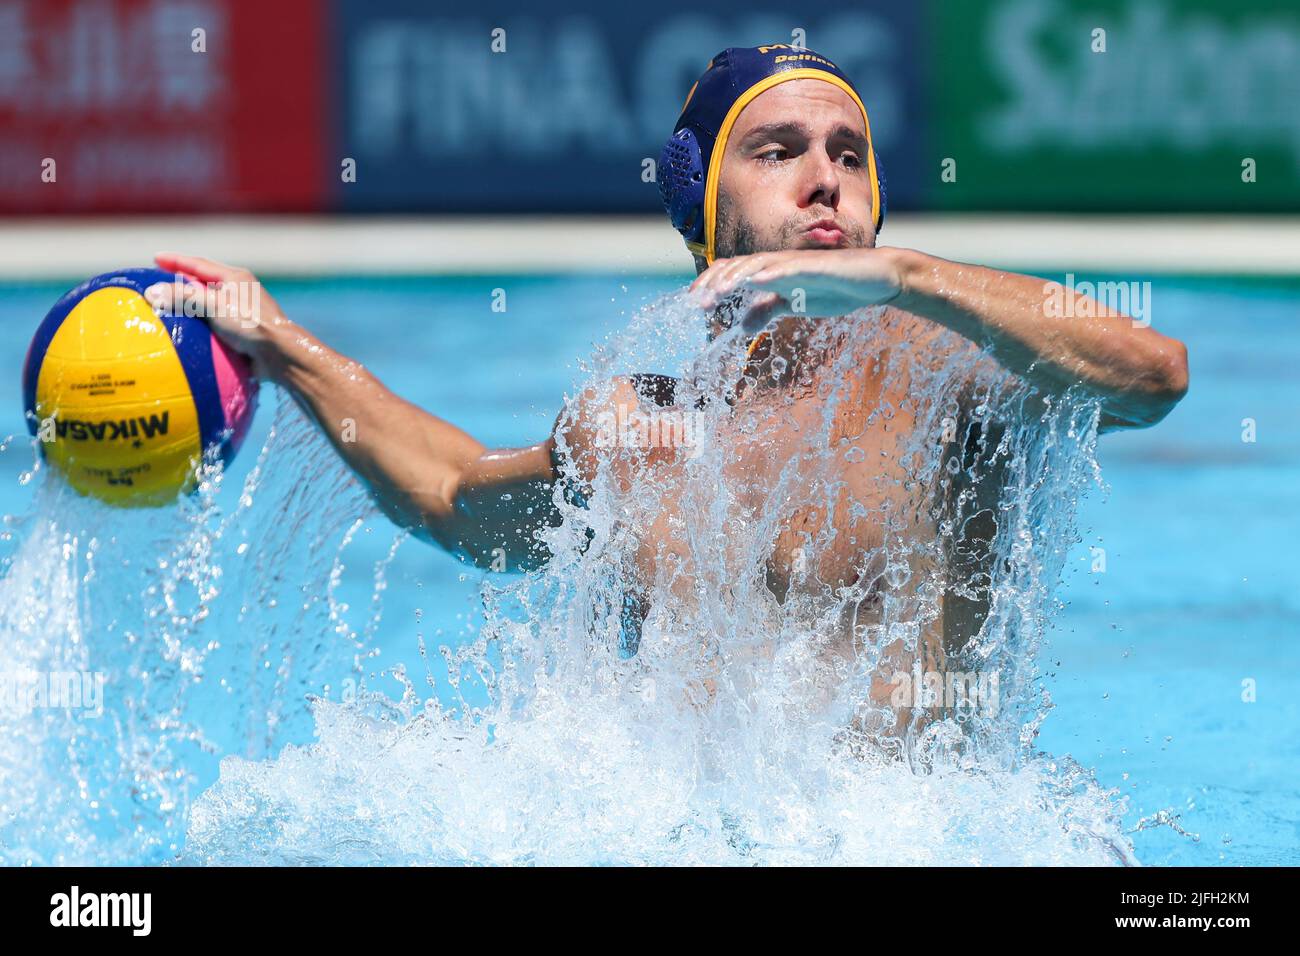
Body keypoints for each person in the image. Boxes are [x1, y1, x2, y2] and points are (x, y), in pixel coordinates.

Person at [145, 44, 1187, 735]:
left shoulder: (950, 371)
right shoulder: (636, 425)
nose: (825, 178)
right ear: (698, 200)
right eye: (777, 151)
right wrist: (279, 343)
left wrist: (906, 277)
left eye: (850, 155)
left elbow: (1152, 378)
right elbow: (459, 499)